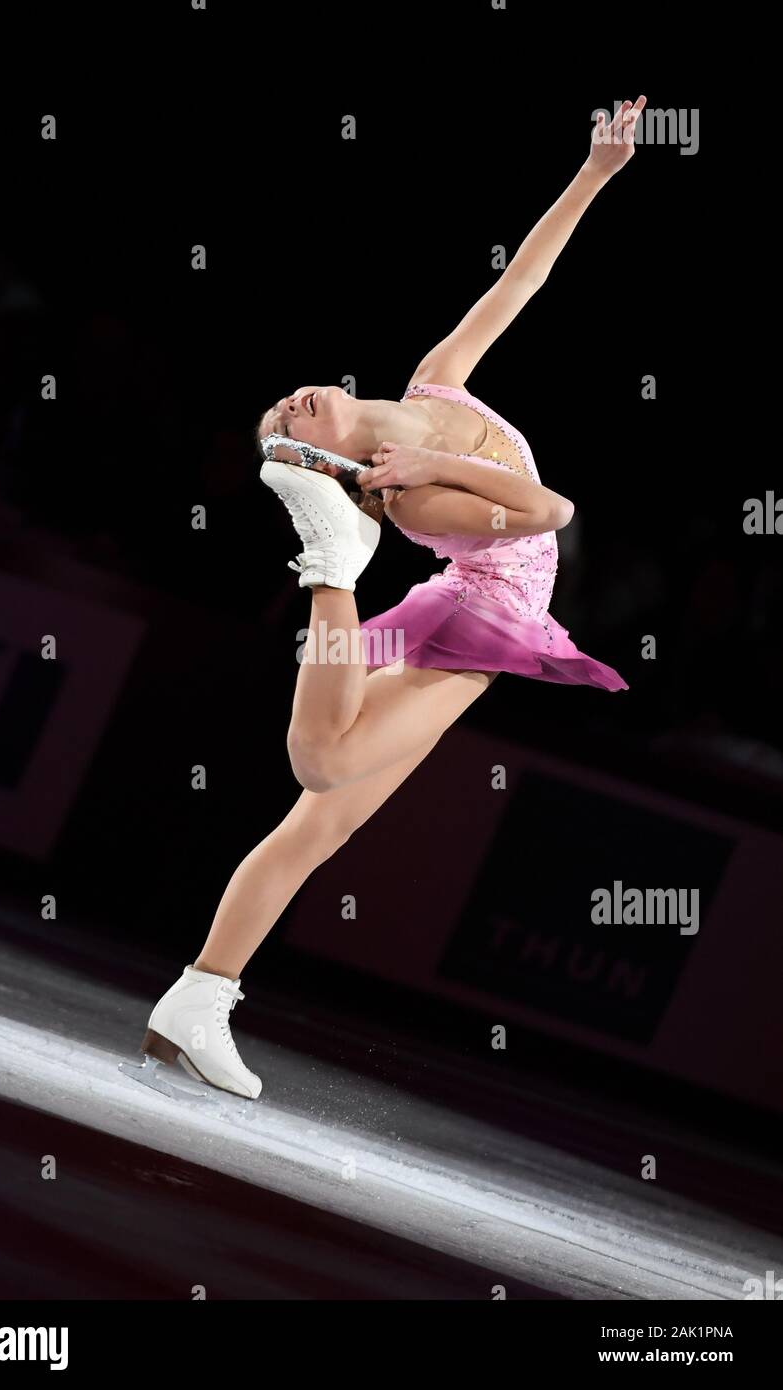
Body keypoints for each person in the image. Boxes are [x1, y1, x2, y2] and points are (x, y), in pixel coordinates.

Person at [120, 98, 645, 1102]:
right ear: (346, 465)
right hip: (486, 615)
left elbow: (519, 280)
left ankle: (200, 993)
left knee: (321, 822)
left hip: (451, 592)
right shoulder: (416, 489)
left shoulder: (433, 384)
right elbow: (551, 506)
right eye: (287, 428)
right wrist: (427, 468)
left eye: (279, 405)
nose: (285, 405)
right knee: (322, 764)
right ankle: (329, 562)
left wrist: (593, 173)